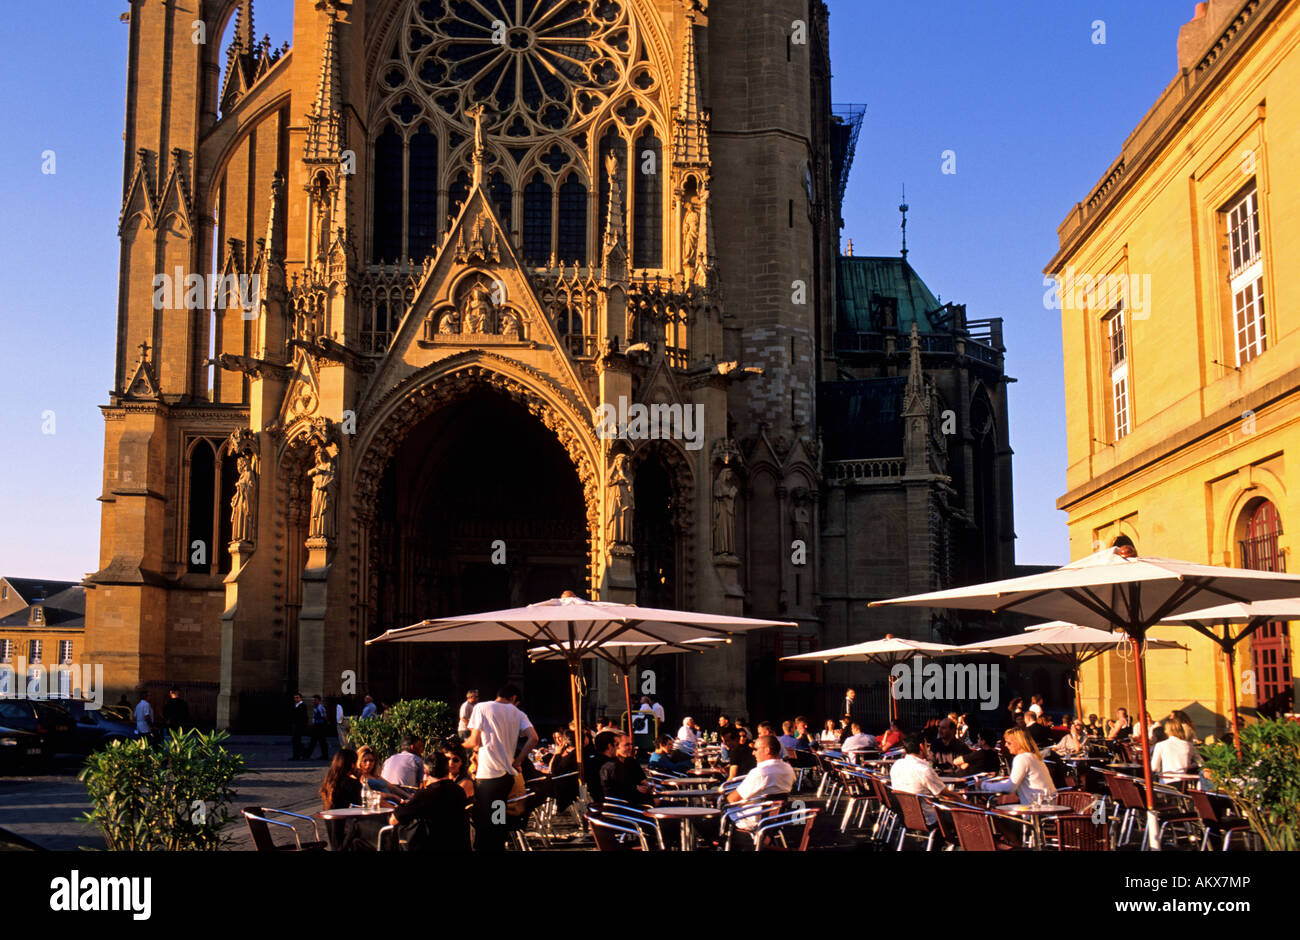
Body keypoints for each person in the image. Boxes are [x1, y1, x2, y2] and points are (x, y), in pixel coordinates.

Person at [463, 683, 538, 853]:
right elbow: (533, 738)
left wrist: (458, 744)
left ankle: (486, 847)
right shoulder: (518, 713)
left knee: (483, 819)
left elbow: (473, 741)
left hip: (488, 775)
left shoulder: (481, 707)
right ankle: (498, 845)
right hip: (506, 777)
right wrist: (518, 761)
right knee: (498, 815)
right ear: (513, 698)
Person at [390, 751, 472, 852]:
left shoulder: (425, 795)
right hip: (458, 846)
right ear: (447, 769)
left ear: (426, 772)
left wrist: (403, 807)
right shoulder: (459, 791)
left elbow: (393, 820)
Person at [889, 736, 959, 826]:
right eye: (927, 746)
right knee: (964, 815)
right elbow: (946, 794)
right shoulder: (924, 770)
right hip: (929, 818)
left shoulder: (897, 764)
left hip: (906, 815)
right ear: (921, 746)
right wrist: (969, 804)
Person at [981, 728, 1057, 805]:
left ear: (1019, 743)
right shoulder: (1034, 757)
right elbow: (1013, 782)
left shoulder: (1021, 758)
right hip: (1049, 805)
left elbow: (1010, 787)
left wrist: (983, 785)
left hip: (1035, 810)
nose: (1005, 745)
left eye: (1009, 743)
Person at [726, 734, 795, 813]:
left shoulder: (760, 772)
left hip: (750, 818)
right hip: (775, 817)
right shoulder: (789, 769)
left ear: (767, 750)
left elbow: (732, 799)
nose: (753, 753)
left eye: (755, 749)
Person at [319, 748, 364, 850]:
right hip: (348, 834)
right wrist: (358, 780)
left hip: (333, 832)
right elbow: (360, 805)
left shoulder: (329, 783)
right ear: (352, 764)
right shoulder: (350, 783)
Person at [601, 733, 653, 807]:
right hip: (629, 808)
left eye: (631, 744)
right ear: (616, 746)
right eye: (627, 745)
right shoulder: (611, 767)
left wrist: (648, 787)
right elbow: (617, 792)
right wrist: (636, 789)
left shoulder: (632, 761)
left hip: (644, 801)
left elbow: (643, 781)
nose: (631, 747)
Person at [586, 730, 618, 806]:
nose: (618, 747)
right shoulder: (610, 765)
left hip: (598, 801)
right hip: (613, 805)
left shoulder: (592, 761)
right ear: (610, 746)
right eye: (617, 744)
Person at [306, 695, 331, 760]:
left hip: (320, 726)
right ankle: (308, 755)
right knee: (314, 741)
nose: (314, 701)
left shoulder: (320, 707)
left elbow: (324, 716)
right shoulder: (316, 707)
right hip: (316, 726)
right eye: (313, 700)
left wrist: (325, 724)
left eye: (315, 700)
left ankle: (325, 755)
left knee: (321, 741)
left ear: (319, 701)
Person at [289, 692, 308, 760]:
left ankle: (300, 754)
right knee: (295, 741)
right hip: (295, 725)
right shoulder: (295, 705)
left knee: (297, 741)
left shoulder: (303, 706)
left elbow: (304, 717)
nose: (296, 699)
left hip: (299, 726)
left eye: (297, 697)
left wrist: (303, 726)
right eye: (295, 698)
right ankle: (297, 755)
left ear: (300, 698)